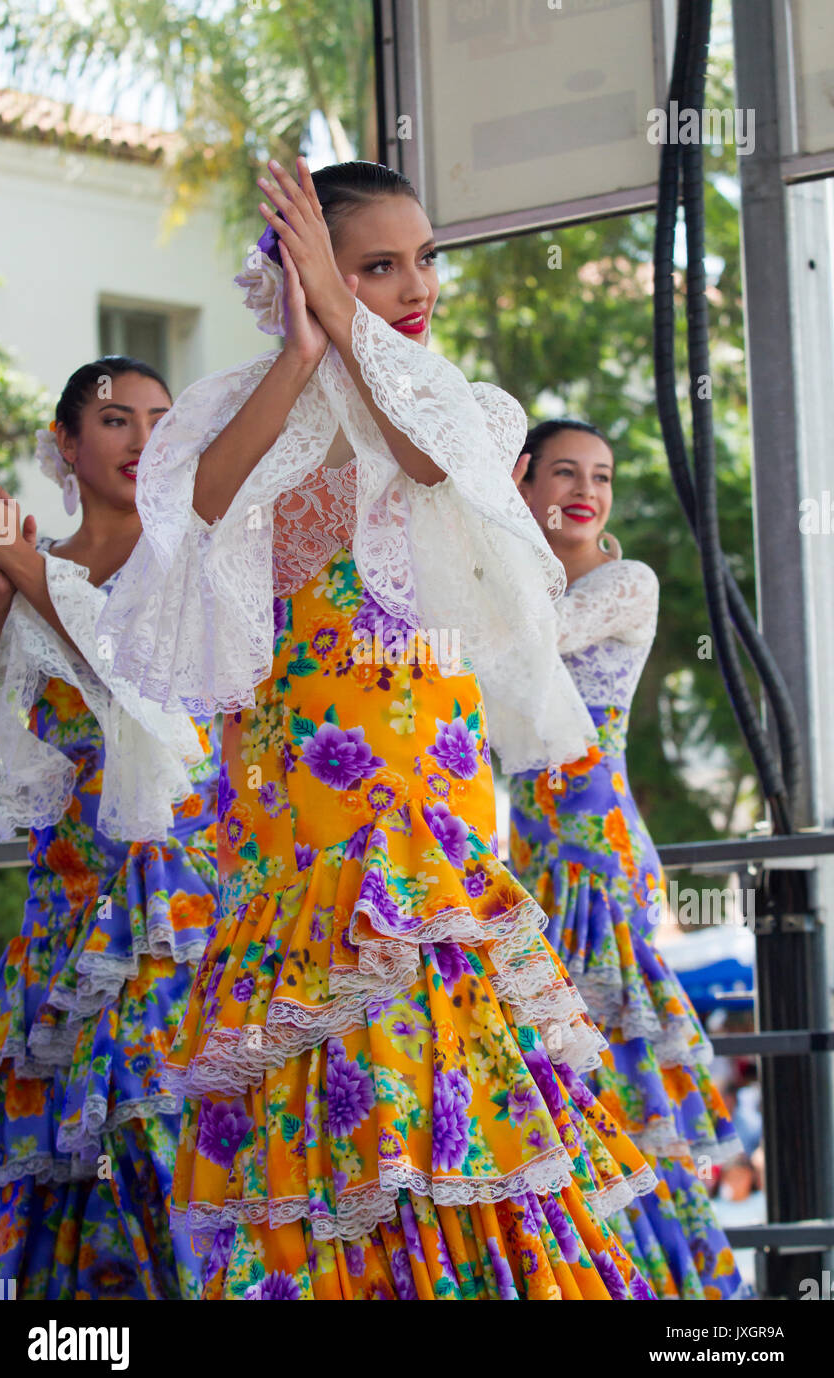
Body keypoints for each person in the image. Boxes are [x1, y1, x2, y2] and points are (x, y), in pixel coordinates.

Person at [98, 159, 664, 1302]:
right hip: (286, 816)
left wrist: (348, 322)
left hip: (415, 809)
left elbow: (420, 456)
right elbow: (197, 505)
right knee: (306, 1110)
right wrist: (306, 349)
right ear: (301, 274)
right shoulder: (234, 405)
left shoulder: (456, 404)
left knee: (440, 1070)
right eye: (376, 263)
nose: (416, 287)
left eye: (425, 259)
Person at [0, 358, 220, 1299]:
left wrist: (23, 568)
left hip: (172, 901)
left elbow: (137, 687)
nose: (145, 439)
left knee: (165, 1133)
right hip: (65, 903)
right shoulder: (31, 567)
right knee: (63, 1158)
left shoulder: (189, 556)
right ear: (66, 446)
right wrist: (0, 583)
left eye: (162, 420)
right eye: (118, 420)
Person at [510, 418, 745, 1299]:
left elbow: (533, 636)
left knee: (614, 1082)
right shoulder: (504, 585)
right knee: (552, 1089)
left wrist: (490, 538)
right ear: (523, 483)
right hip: (528, 866)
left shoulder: (625, 582)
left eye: (601, 476)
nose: (586, 490)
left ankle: (674, 1294)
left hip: (599, 863)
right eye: (563, 473)